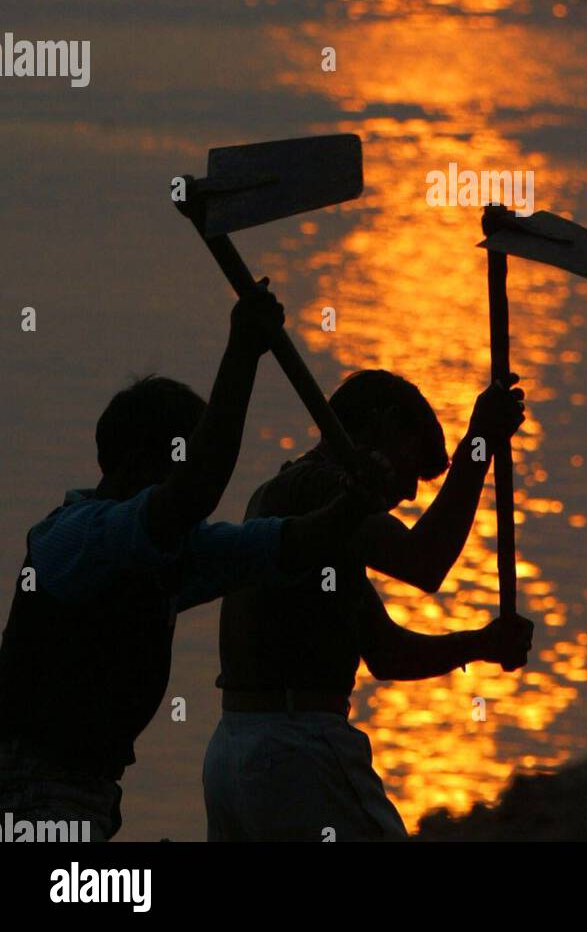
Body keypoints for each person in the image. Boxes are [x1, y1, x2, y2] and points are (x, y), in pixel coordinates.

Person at [0, 282, 388, 841]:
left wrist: (354, 503)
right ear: (137, 463)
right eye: (180, 458)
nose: (187, 478)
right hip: (28, 795)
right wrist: (243, 351)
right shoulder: (78, 539)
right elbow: (197, 488)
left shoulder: (171, 552)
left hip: (86, 797)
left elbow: (284, 545)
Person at [203, 369, 534, 842]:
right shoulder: (319, 489)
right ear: (383, 426)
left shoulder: (301, 506)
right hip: (297, 749)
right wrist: (479, 441)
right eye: (412, 466)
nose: (410, 493)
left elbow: (385, 653)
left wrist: (479, 643)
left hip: (235, 757)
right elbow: (424, 562)